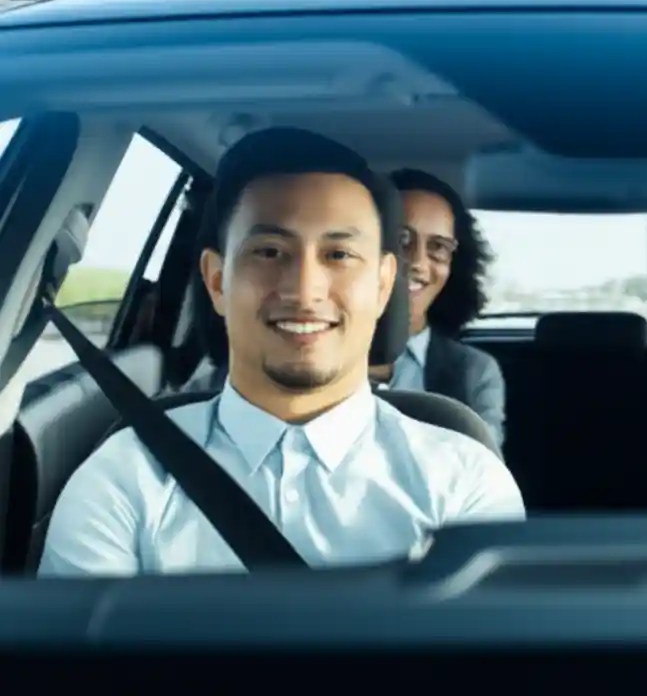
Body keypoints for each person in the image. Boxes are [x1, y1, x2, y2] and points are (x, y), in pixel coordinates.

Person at [39, 128, 526, 577]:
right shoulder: (122, 479)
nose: (304, 290)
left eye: (339, 255)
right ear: (216, 281)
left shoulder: (464, 483)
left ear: (383, 286)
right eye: (270, 251)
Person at [372, 169, 506, 447]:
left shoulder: (473, 371)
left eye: (438, 247)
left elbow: (484, 466)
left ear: (456, 264)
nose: (417, 262)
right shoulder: (313, 353)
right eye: (400, 240)